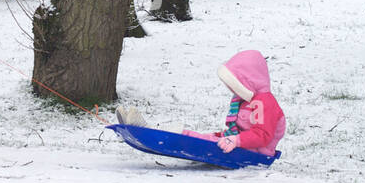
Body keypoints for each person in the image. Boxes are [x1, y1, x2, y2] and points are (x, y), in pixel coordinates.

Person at [116, 50, 287, 156]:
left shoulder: (264, 102)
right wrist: (229, 137)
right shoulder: (247, 100)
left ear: (249, 80)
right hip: (238, 145)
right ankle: (147, 131)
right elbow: (240, 129)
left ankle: (157, 135)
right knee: (203, 138)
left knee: (199, 142)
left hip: (252, 152)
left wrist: (236, 141)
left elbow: (262, 135)